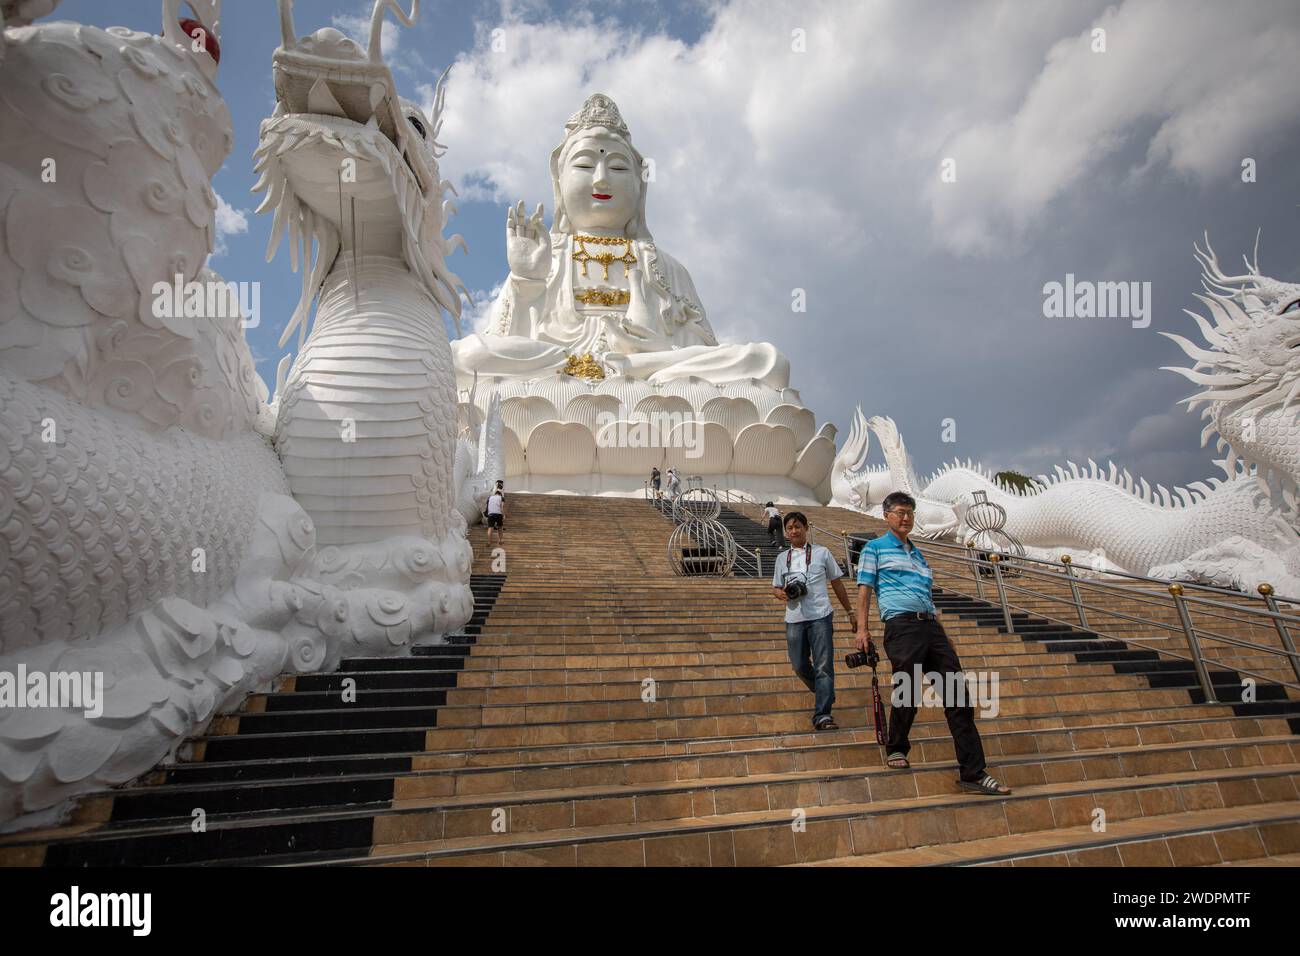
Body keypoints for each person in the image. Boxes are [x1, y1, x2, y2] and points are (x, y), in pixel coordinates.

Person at [854, 491, 1011, 795]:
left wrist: (942, 631)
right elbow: (864, 589)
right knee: (908, 689)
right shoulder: (874, 548)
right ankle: (897, 747)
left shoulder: (919, 553)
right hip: (901, 625)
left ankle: (973, 772)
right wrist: (862, 629)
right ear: (886, 516)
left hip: (930, 627)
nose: (906, 518)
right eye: (900, 512)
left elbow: (926, 595)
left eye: (910, 513)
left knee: (958, 698)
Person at [772, 512, 857, 731]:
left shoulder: (822, 553)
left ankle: (823, 714)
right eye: (789, 528)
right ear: (785, 532)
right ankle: (824, 692)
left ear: (806, 528)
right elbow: (776, 587)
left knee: (823, 666)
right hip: (794, 617)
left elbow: (837, 583)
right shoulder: (782, 558)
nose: (794, 531)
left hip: (820, 615)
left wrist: (850, 611)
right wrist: (780, 593)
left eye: (798, 526)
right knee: (799, 665)